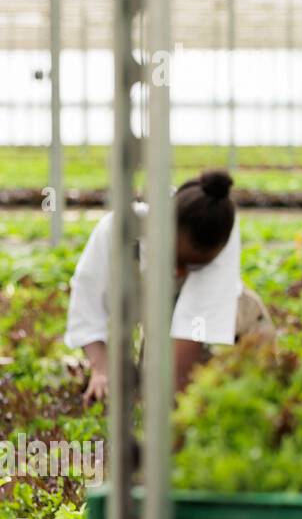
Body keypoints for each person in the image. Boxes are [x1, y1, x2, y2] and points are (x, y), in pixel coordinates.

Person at [65, 170, 273, 403]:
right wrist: (102, 370)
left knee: (249, 390)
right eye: (174, 259)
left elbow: (192, 335)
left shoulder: (220, 235)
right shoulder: (116, 231)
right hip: (160, 318)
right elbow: (87, 306)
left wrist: (177, 413)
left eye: (192, 266)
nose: (178, 272)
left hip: (237, 326)